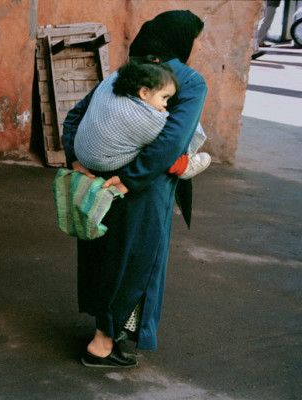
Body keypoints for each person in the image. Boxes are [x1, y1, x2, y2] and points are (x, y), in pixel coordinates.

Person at [62, 10, 207, 368]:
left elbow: (75, 116)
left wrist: (76, 161)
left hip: (99, 183)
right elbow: (172, 142)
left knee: (104, 257)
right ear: (180, 41)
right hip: (143, 191)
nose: (195, 48)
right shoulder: (189, 81)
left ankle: (105, 333)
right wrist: (132, 179)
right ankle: (102, 344)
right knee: (136, 264)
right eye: (195, 41)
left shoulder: (125, 72)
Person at [72, 56, 210, 180]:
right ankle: (182, 166)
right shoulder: (147, 120)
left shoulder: (114, 91)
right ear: (144, 92)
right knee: (163, 147)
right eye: (164, 97)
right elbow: (173, 142)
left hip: (80, 155)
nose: (166, 104)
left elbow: (74, 114)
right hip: (103, 164)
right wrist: (162, 115)